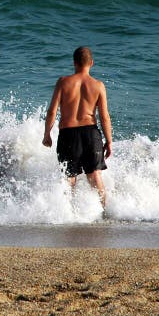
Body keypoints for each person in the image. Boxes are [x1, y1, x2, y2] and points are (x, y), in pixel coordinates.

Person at [42, 46, 112, 208]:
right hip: (91, 133)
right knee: (95, 176)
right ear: (92, 63)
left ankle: (68, 214)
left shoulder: (63, 82)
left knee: (69, 178)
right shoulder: (98, 85)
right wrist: (109, 140)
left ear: (74, 63)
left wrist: (47, 134)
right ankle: (104, 211)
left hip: (68, 134)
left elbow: (52, 111)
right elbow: (104, 117)